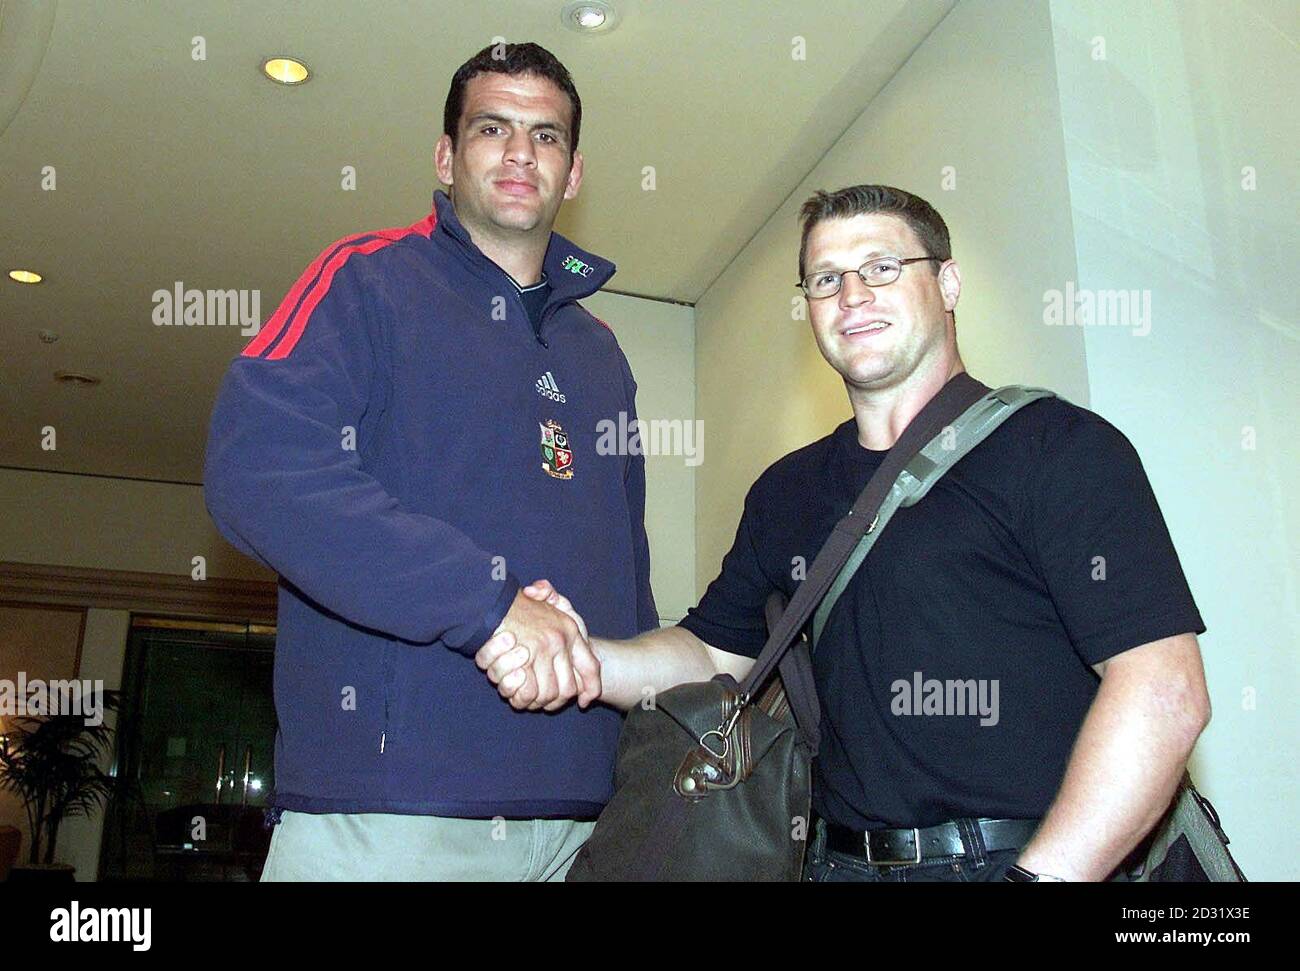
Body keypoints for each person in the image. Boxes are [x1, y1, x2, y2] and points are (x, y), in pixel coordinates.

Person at [479, 184, 1210, 882]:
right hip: (831, 861)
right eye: (824, 279)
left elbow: (1162, 689)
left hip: (1023, 854)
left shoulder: (1057, 446)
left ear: (948, 283)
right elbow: (709, 653)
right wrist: (584, 658)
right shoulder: (786, 490)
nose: (851, 295)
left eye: (882, 267)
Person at [204, 41, 656, 881]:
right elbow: (256, 471)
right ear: (446, 157)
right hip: (389, 818)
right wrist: (486, 603)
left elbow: (629, 575)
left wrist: (644, 752)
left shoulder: (603, 354)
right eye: (494, 127)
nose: (521, 152)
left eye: (546, 136)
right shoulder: (364, 281)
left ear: (576, 171)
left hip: (584, 829)